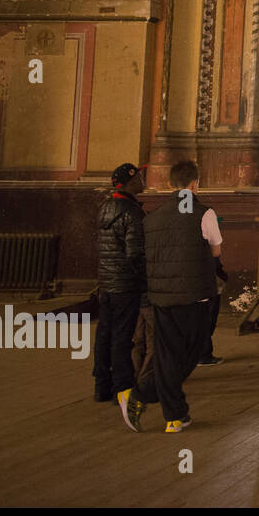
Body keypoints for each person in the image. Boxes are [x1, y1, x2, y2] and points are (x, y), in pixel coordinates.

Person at [119, 160, 222, 433]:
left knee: (168, 356)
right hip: (195, 296)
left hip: (162, 298)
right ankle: (150, 400)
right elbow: (215, 251)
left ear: (169, 184)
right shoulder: (204, 213)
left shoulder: (152, 217)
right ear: (195, 184)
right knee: (189, 355)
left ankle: (173, 415)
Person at [93, 162, 147, 403]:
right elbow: (135, 253)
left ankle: (101, 386)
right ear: (131, 181)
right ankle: (123, 388)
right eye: (140, 177)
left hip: (106, 282)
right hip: (125, 284)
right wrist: (144, 280)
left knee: (105, 333)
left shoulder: (104, 207)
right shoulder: (131, 211)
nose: (144, 180)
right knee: (123, 337)